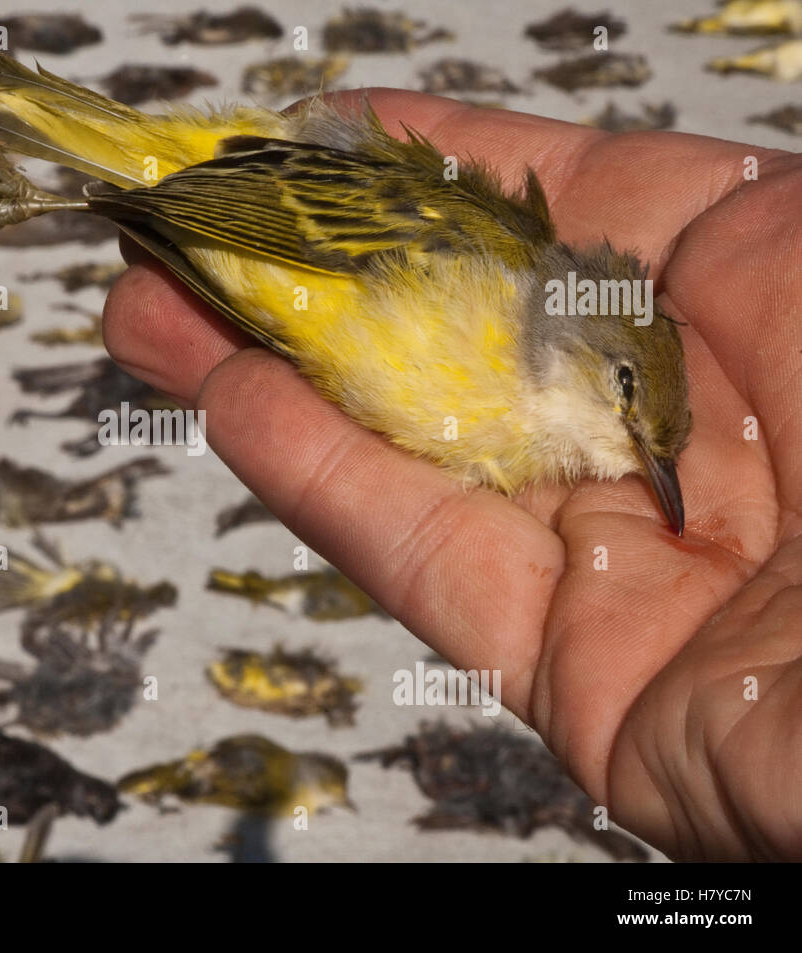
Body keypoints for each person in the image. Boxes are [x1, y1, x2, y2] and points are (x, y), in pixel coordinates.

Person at [102, 88, 802, 862]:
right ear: (589, 353)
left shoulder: (530, 406)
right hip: (248, 195)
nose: (640, 463)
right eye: (627, 402)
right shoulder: (500, 312)